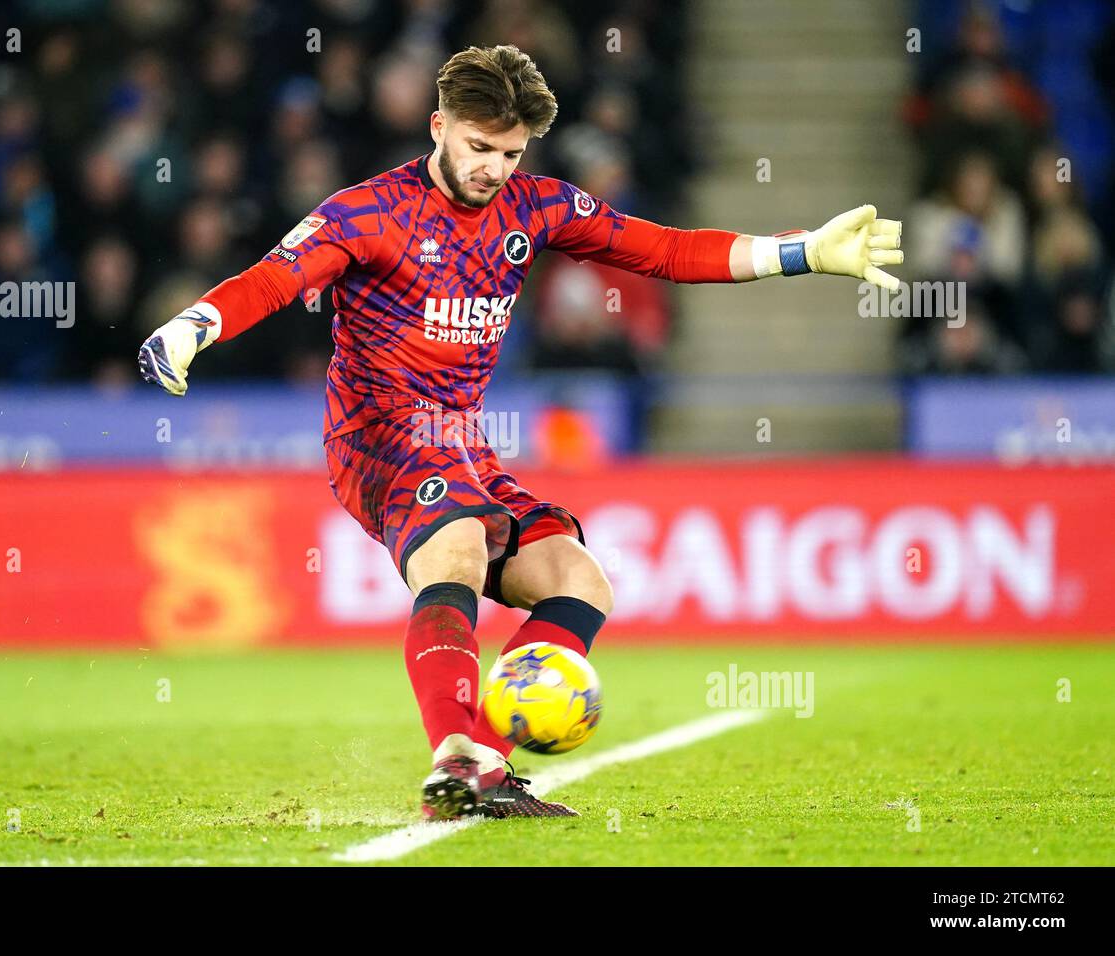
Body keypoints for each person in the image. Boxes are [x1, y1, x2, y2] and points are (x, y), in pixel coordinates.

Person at [137, 45, 903, 820]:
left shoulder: (537, 208)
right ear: (438, 126)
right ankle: (455, 753)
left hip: (463, 441)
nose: (493, 168)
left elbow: (664, 250)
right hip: (375, 436)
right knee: (459, 544)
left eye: (510, 152)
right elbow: (278, 275)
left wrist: (802, 252)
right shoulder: (368, 212)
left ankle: (484, 765)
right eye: (477, 147)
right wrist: (194, 327)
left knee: (581, 581)